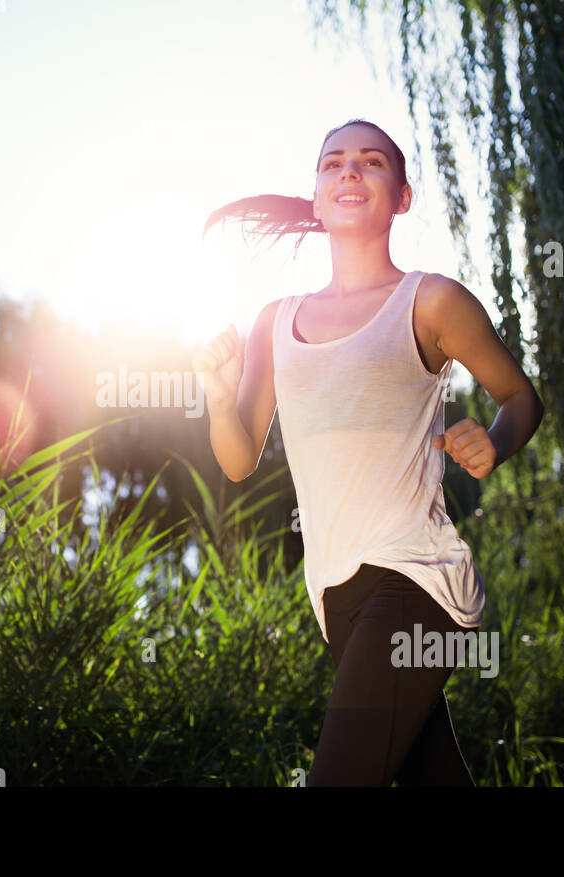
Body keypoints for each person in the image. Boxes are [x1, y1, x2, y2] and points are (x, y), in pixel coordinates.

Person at [193, 119, 544, 786]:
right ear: (318, 196)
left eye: (371, 162)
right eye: (334, 164)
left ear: (402, 196)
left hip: (416, 583)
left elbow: (521, 397)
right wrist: (216, 393)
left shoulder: (431, 301)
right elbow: (238, 460)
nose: (349, 172)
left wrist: (494, 441)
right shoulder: (275, 320)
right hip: (336, 597)